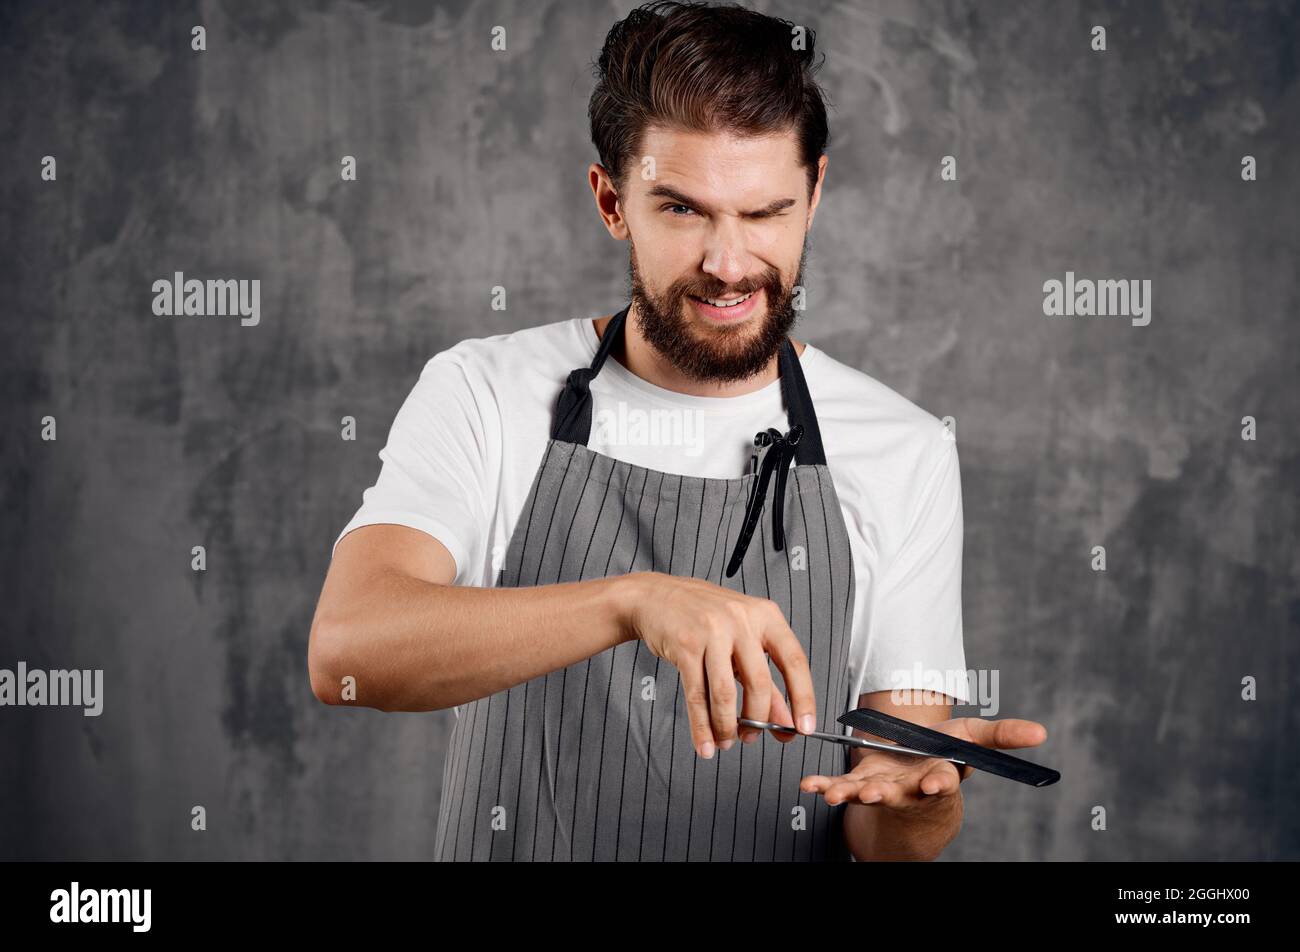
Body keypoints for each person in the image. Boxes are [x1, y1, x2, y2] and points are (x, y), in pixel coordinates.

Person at [308, 0, 1047, 862]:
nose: (728, 266)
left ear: (814, 194)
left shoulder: (903, 449)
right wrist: (631, 601)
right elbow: (347, 650)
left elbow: (887, 827)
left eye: (765, 213)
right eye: (683, 210)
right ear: (612, 201)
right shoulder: (485, 392)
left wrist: (915, 802)